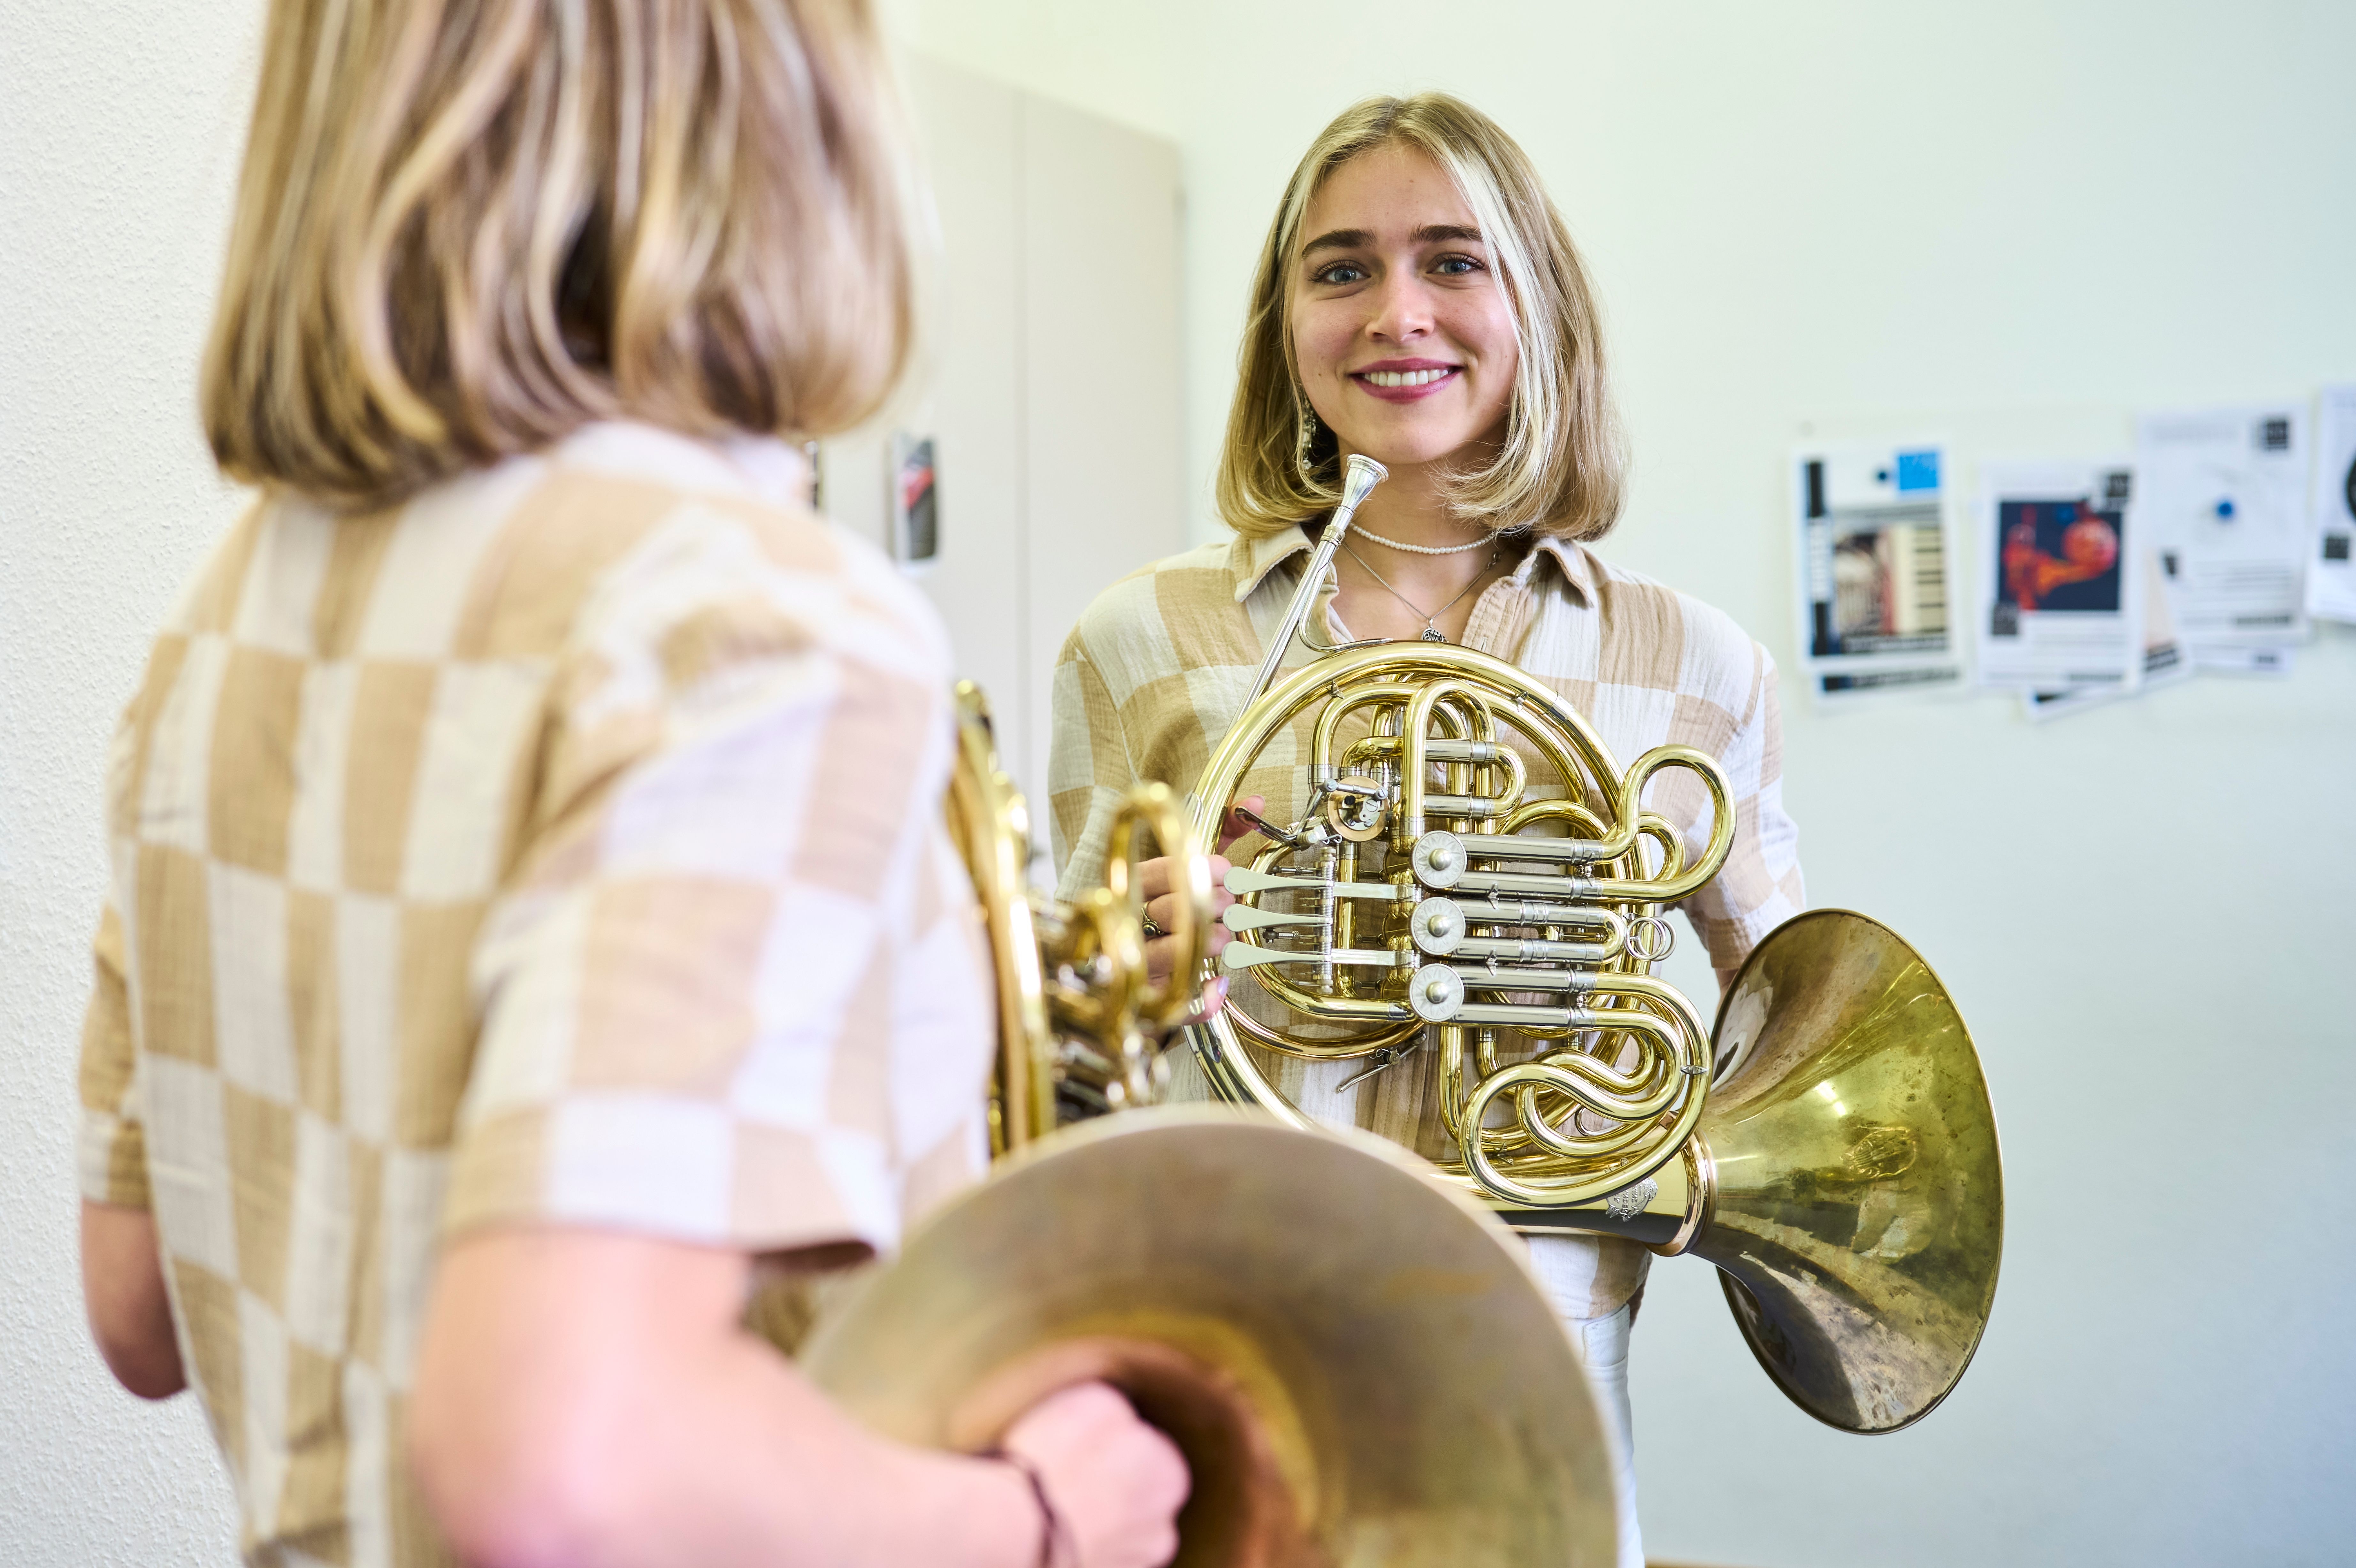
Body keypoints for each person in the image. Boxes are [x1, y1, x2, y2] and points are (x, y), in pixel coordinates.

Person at [71, 3, 1187, 1564]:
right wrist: (1038, 1520)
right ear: (785, 99)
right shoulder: (752, 622)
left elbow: (135, 1302)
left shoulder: (222, 619)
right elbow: (560, 1466)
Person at [1048, 93, 1804, 1568]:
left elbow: (1785, 1049)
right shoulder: (1138, 641)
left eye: (1452, 262)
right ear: (1285, 322)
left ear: (1535, 303)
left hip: (1542, 1375)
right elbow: (1053, 1068)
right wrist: (1122, 965)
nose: (1396, 313)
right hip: (1222, 1358)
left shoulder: (1692, 662)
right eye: (1339, 270)